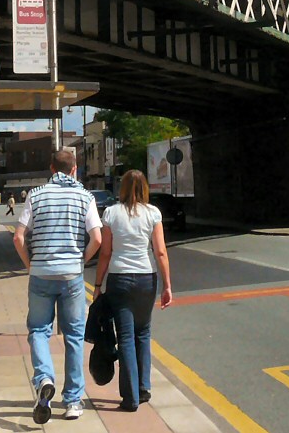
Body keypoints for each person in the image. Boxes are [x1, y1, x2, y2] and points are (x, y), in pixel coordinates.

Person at [13, 149, 102, 423]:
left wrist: (31, 265)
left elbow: (18, 237)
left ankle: (44, 378)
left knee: (39, 330)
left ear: (52, 169)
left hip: (41, 273)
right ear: (74, 169)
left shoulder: (36, 195)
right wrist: (80, 260)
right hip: (71, 276)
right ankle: (73, 401)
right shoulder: (85, 197)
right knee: (74, 336)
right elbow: (97, 239)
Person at [93, 169, 173, 413]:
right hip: (146, 278)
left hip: (120, 279)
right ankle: (144, 388)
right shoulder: (153, 213)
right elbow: (160, 251)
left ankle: (130, 398)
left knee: (125, 336)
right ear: (145, 188)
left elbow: (105, 252)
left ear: (123, 188)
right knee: (143, 333)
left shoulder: (111, 213)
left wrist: (97, 285)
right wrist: (167, 285)